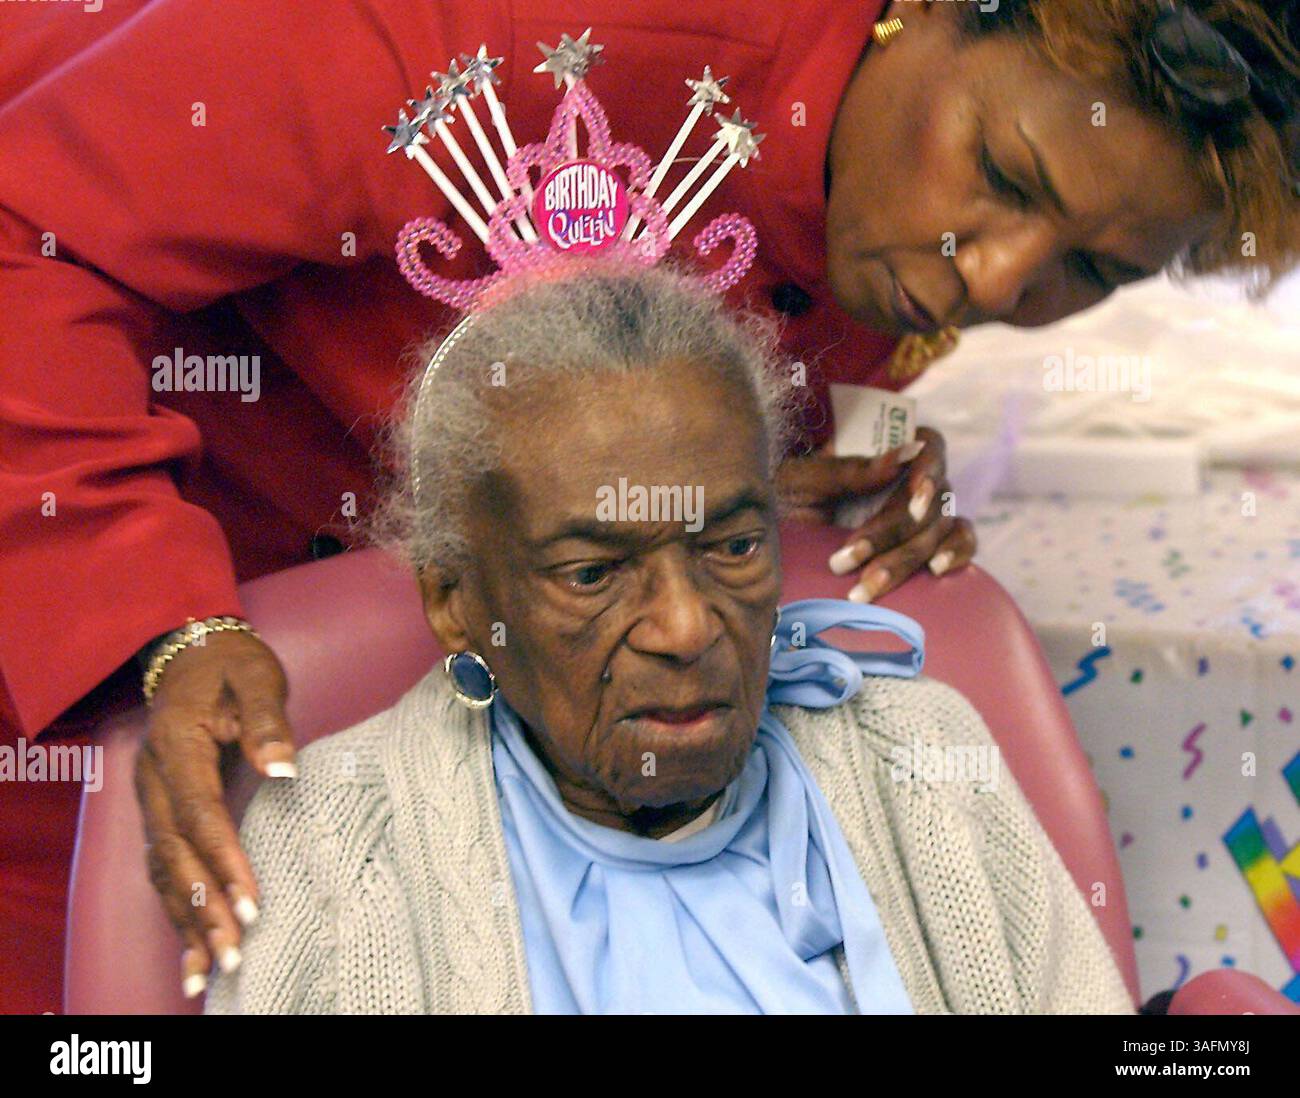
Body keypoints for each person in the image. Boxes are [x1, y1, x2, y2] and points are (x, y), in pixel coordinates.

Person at [1, 0, 1295, 1010]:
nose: (995, 279)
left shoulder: (903, 220)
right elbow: (29, 238)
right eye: (1005, 178)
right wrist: (155, 617)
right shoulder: (501, 38)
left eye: (1090, 270)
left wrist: (808, 467)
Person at [205, 259, 1134, 1014]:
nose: (687, 629)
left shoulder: (924, 755)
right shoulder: (337, 834)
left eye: (732, 546)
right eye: (593, 573)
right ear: (455, 602)